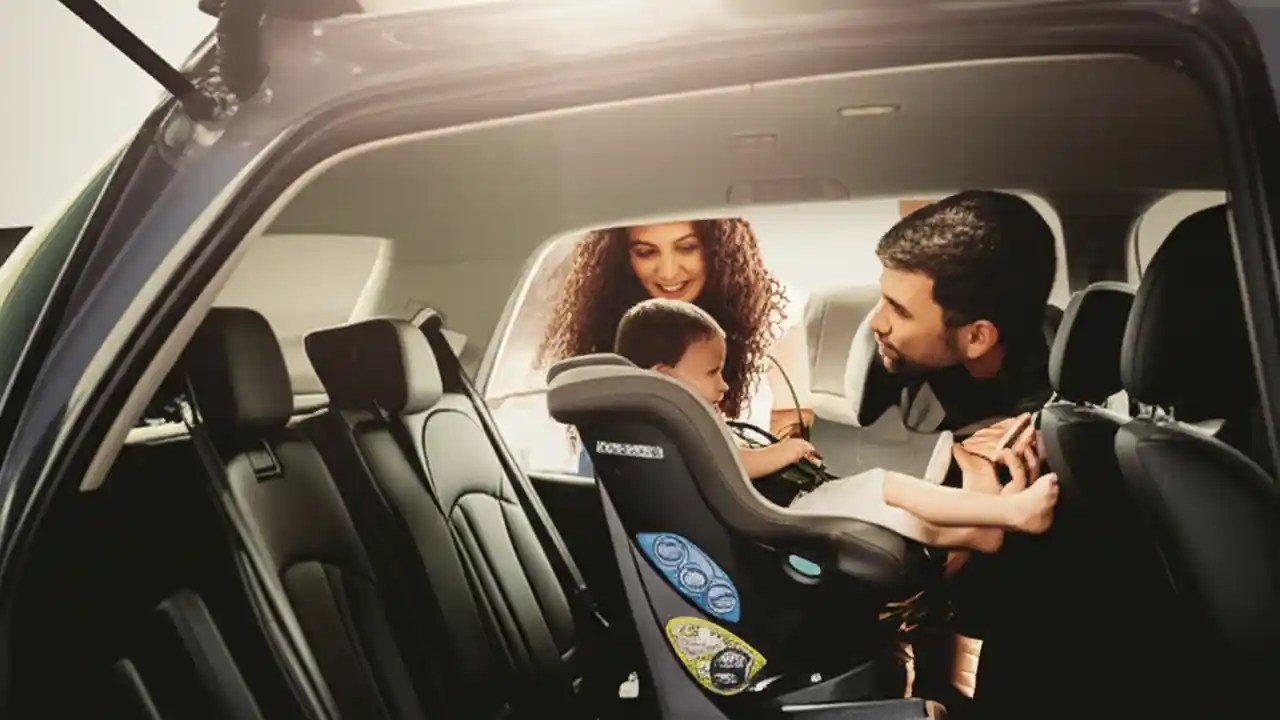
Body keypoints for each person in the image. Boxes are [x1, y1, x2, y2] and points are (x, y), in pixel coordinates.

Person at [612, 298, 1060, 554]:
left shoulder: (660, 425)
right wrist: (782, 453)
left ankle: (977, 533)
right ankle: (1010, 513)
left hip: (778, 513)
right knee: (886, 486)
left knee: (901, 514)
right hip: (782, 517)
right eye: (712, 372)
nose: (724, 384)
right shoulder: (675, 425)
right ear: (664, 376)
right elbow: (726, 467)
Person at [855, 191, 1060, 717]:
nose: (876, 322)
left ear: (977, 336)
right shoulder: (901, 364)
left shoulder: (1027, 431)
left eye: (898, 311)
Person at [539, 218, 812, 438]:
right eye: (646, 252)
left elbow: (789, 418)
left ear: (718, 248)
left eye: (687, 248)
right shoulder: (598, 326)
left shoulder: (773, 322)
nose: (668, 272)